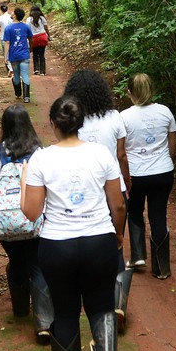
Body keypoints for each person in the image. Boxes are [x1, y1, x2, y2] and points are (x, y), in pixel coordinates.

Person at [22, 96, 128, 351]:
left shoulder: (42, 159)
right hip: (99, 241)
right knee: (101, 307)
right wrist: (117, 235)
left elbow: (31, 212)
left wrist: (26, 177)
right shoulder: (101, 154)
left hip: (57, 246)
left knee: (65, 311)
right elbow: (118, 203)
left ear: (53, 125)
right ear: (81, 124)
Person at [64, 69, 132, 332]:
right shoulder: (115, 118)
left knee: (89, 237)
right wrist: (128, 180)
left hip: (86, 189)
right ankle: (117, 303)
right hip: (115, 188)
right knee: (116, 244)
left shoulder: (72, 120)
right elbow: (121, 154)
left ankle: (90, 294)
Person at [0, 105, 53, 341]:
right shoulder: (39, 152)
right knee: (37, 264)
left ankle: (21, 309)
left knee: (16, 261)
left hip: (7, 225)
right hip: (34, 221)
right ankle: (43, 322)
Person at [121, 74, 176, 279]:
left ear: (130, 92)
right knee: (158, 215)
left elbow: (122, 152)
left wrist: (125, 176)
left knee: (135, 211)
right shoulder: (165, 112)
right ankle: (162, 268)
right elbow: (173, 146)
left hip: (137, 175)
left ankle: (138, 256)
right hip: (163, 172)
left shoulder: (125, 117)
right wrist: (165, 163)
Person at [2, 8, 34, 103]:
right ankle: (26, 96)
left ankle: (18, 93)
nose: (11, 13)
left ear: (15, 15)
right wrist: (31, 48)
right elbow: (31, 39)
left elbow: (7, 43)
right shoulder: (26, 27)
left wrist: (5, 56)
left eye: (13, 12)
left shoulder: (8, 28)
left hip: (14, 55)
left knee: (16, 74)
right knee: (25, 74)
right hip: (24, 54)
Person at [27, 5, 50, 76]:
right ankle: (42, 71)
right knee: (41, 54)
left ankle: (36, 69)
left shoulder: (29, 19)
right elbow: (46, 28)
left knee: (35, 54)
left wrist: (27, 38)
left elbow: (27, 29)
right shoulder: (42, 18)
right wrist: (49, 36)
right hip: (42, 37)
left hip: (33, 38)